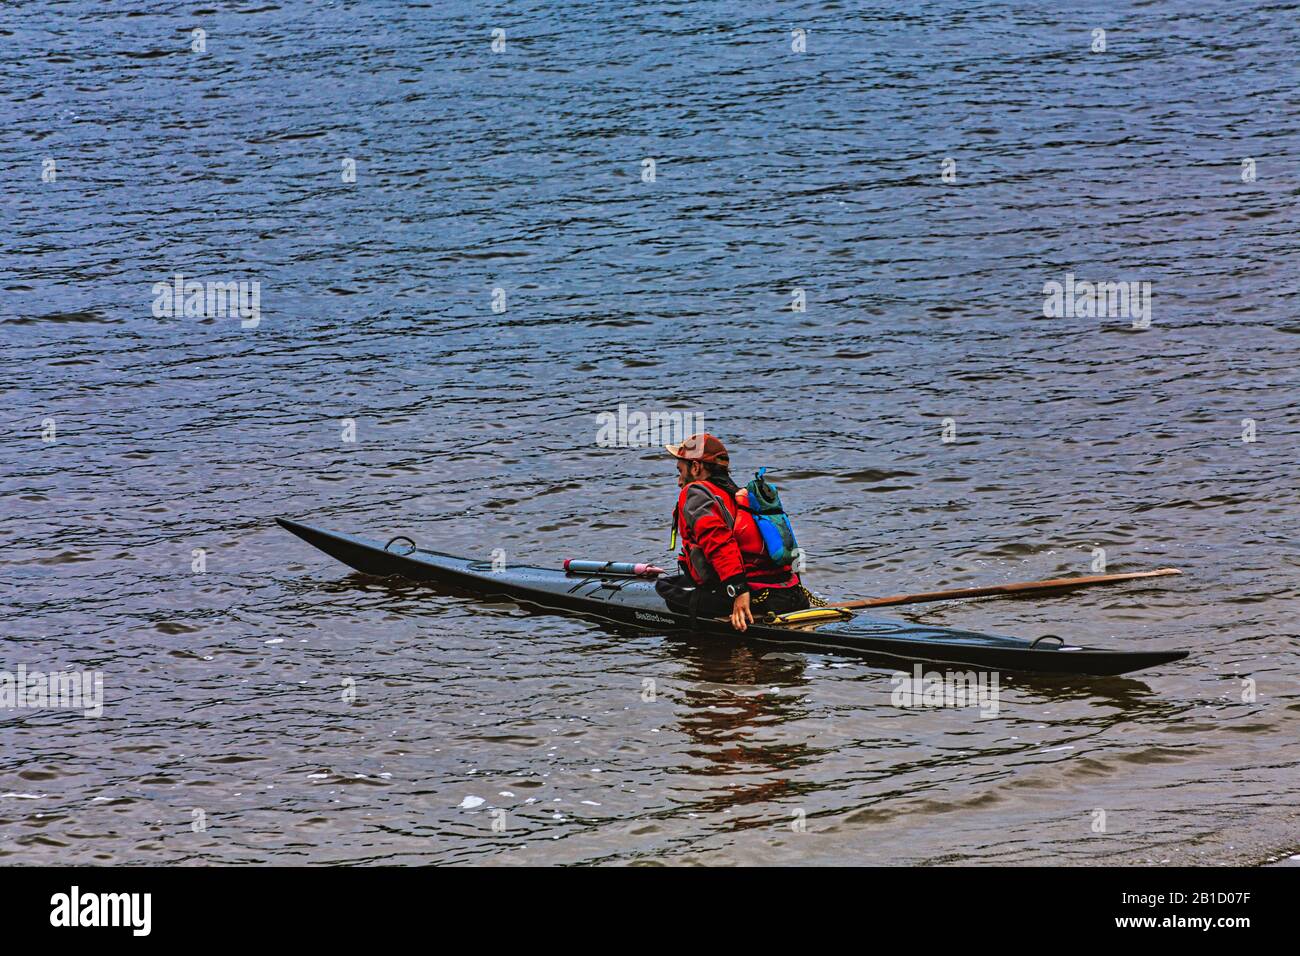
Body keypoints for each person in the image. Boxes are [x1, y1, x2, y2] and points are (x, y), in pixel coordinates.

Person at [656, 433, 817, 631]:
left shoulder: (696, 493)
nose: (679, 481)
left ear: (696, 467)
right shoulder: (742, 495)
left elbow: (718, 542)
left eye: (680, 471)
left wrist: (739, 592)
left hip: (754, 597)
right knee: (677, 581)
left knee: (664, 588)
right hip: (790, 594)